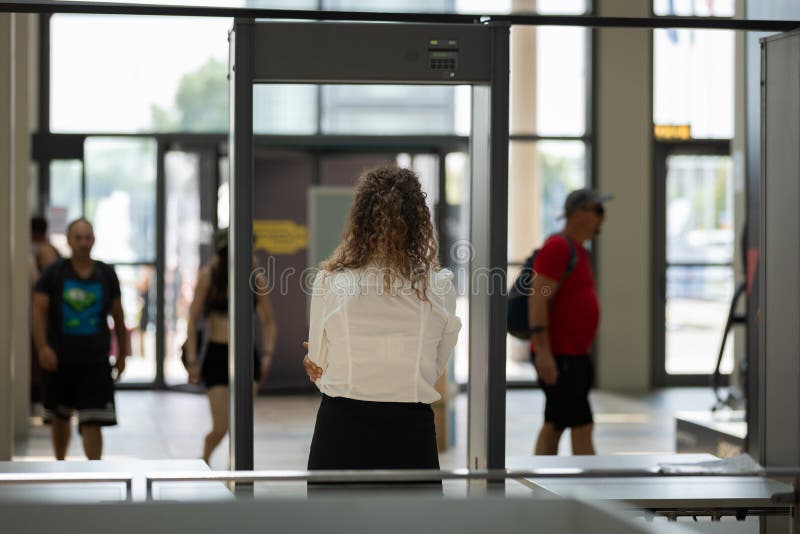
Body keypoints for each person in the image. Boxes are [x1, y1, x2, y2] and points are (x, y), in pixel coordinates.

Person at [303, 166, 461, 475]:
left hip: (341, 430)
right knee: (409, 524)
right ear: (419, 222)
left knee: (334, 524)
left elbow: (319, 363)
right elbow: (436, 365)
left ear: (359, 219)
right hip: (411, 433)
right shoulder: (440, 286)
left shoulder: (330, 281)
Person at [31, 218, 127, 460]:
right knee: (60, 417)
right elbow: (38, 312)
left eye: (87, 238)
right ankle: (60, 465)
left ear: (94, 240)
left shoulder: (106, 273)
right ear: (69, 240)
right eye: (78, 238)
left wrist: (123, 354)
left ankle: (95, 471)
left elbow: (118, 315)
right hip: (60, 359)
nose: (83, 243)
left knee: (93, 420)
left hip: (95, 360)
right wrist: (42, 348)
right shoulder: (55, 273)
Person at [529, 188, 612, 456]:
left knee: (557, 422)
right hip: (559, 354)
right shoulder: (558, 247)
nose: (603, 218)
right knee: (578, 424)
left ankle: (548, 484)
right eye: (599, 211)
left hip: (573, 353)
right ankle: (587, 489)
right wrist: (543, 351)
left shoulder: (577, 251)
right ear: (578, 214)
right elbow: (539, 295)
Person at [185, 228, 277, 465]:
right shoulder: (210, 276)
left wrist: (267, 354)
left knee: (241, 425)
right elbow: (193, 318)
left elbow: (268, 319)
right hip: (217, 354)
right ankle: (203, 461)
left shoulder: (254, 278)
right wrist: (192, 359)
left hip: (246, 354)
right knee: (221, 426)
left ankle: (234, 470)